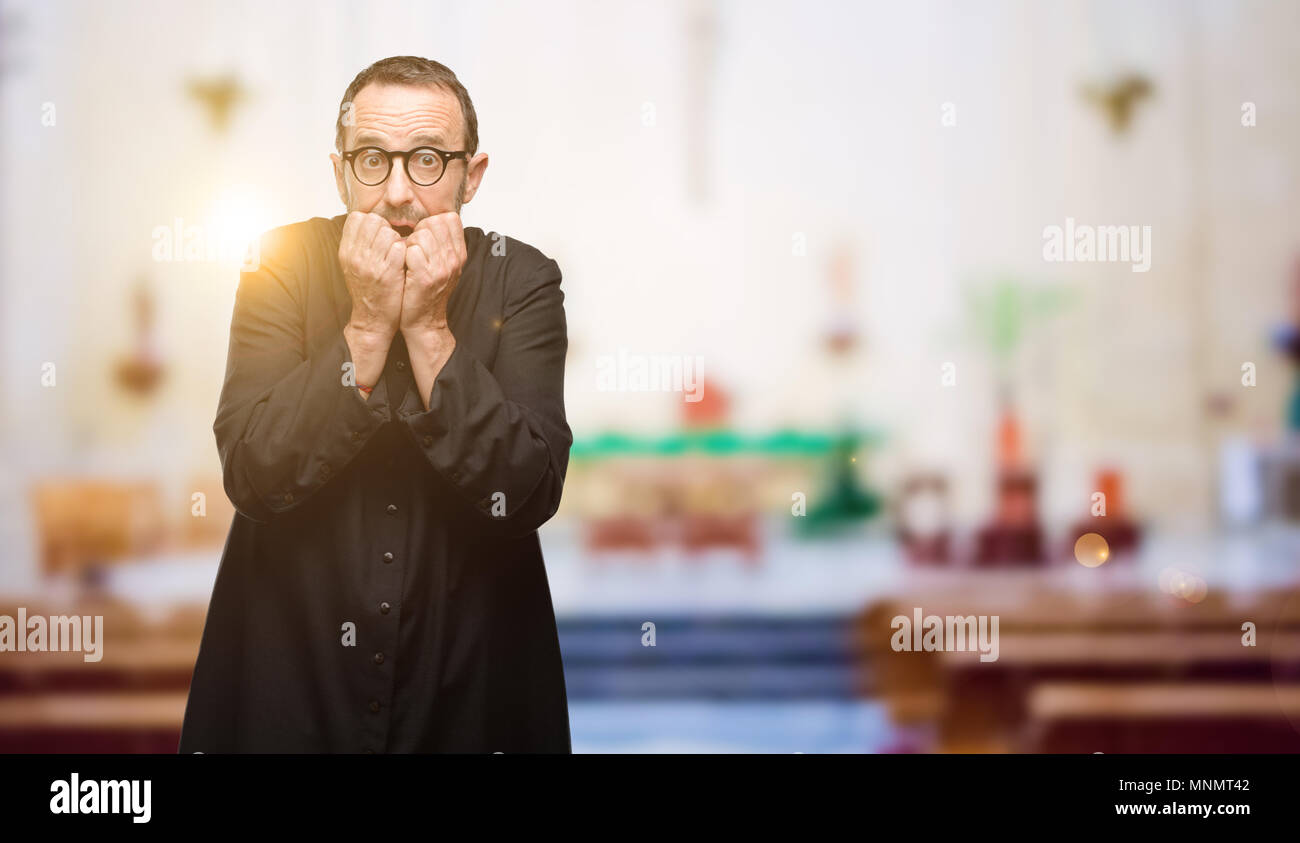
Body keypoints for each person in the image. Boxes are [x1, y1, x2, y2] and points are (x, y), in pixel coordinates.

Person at [178, 56, 573, 753]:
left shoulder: (523, 278)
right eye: (371, 160)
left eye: (426, 160)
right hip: (292, 670)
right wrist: (364, 324)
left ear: (470, 176)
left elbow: (529, 486)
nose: (396, 193)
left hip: (471, 675)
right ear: (339, 172)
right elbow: (252, 472)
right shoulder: (278, 263)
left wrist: (428, 329)